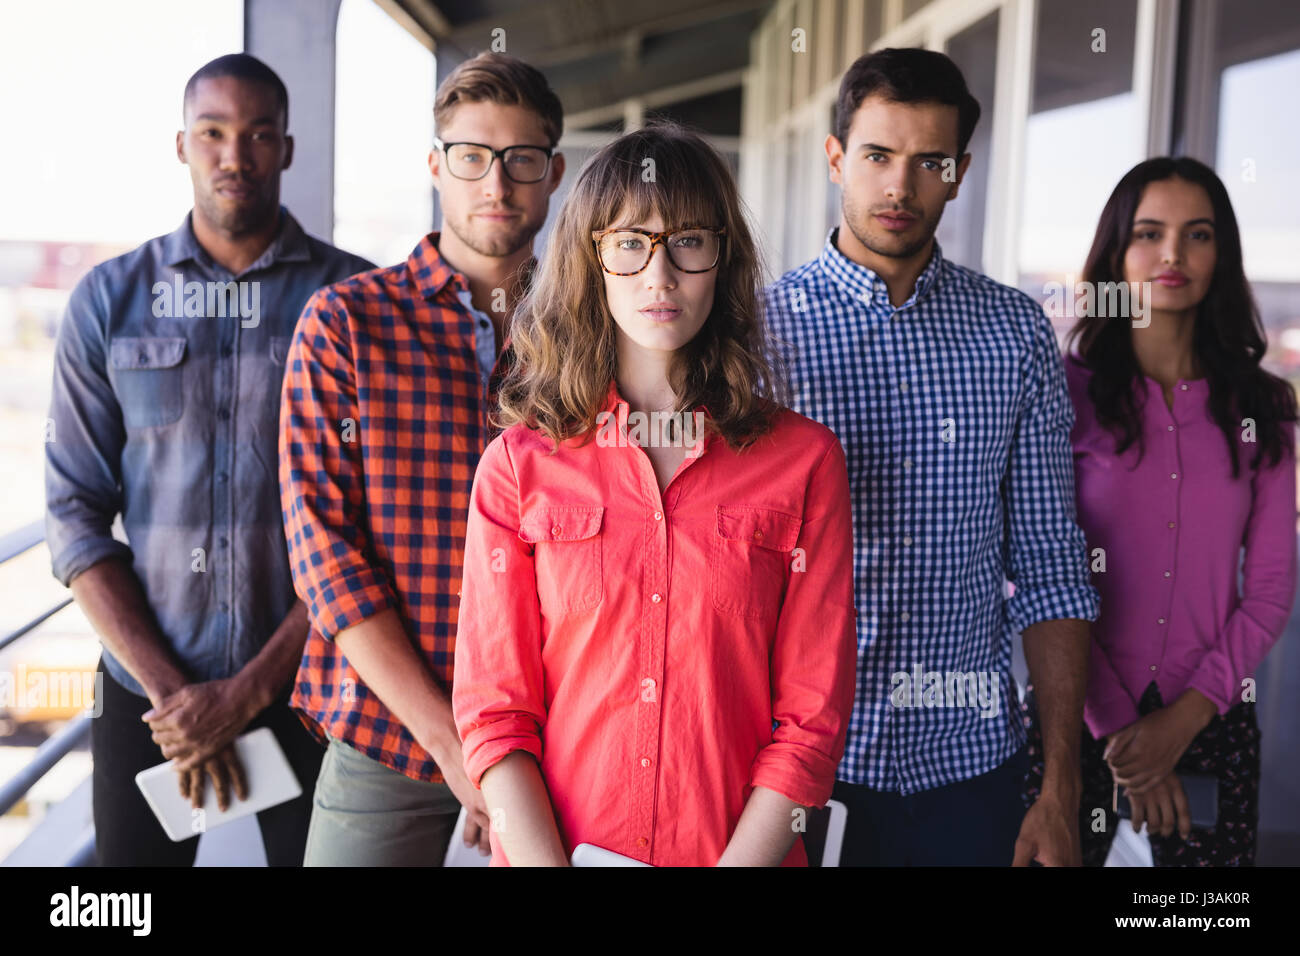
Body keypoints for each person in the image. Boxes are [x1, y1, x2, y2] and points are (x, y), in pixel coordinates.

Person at [451, 120, 858, 867]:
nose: (659, 275)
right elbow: (494, 715)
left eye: (688, 242)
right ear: (592, 260)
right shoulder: (517, 467)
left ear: (722, 260)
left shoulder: (805, 463)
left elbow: (811, 723)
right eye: (630, 242)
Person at [764, 48, 1100, 866]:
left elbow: (1053, 565)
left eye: (929, 162)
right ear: (836, 157)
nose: (899, 187)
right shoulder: (756, 338)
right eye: (877, 156)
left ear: (960, 173)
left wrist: (1060, 787)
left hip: (972, 771)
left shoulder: (1014, 333)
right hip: (798, 768)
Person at [44, 53, 374, 866]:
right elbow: (75, 513)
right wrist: (178, 699)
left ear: (287, 149)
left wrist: (249, 691)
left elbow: (371, 523)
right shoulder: (107, 301)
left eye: (259, 134)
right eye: (214, 133)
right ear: (182, 145)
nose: (236, 155)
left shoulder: (356, 302)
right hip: (148, 695)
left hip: (311, 690)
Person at [279, 52, 565, 866]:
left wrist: (506, 752)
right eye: (472, 157)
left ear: (554, 172)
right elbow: (323, 553)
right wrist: (451, 743)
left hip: (556, 734)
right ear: (436, 166)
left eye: (522, 160)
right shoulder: (345, 324)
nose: (497, 184)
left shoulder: (589, 337)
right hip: (388, 733)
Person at [1020, 157, 1297, 866]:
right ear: (1116, 252)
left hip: (1213, 722)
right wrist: (1122, 733)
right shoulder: (1060, 394)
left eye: (1197, 234)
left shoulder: (1264, 411)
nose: (1172, 254)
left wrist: (1182, 722)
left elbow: (1267, 593)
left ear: (1221, 254)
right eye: (1149, 233)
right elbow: (1038, 569)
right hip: (1069, 721)